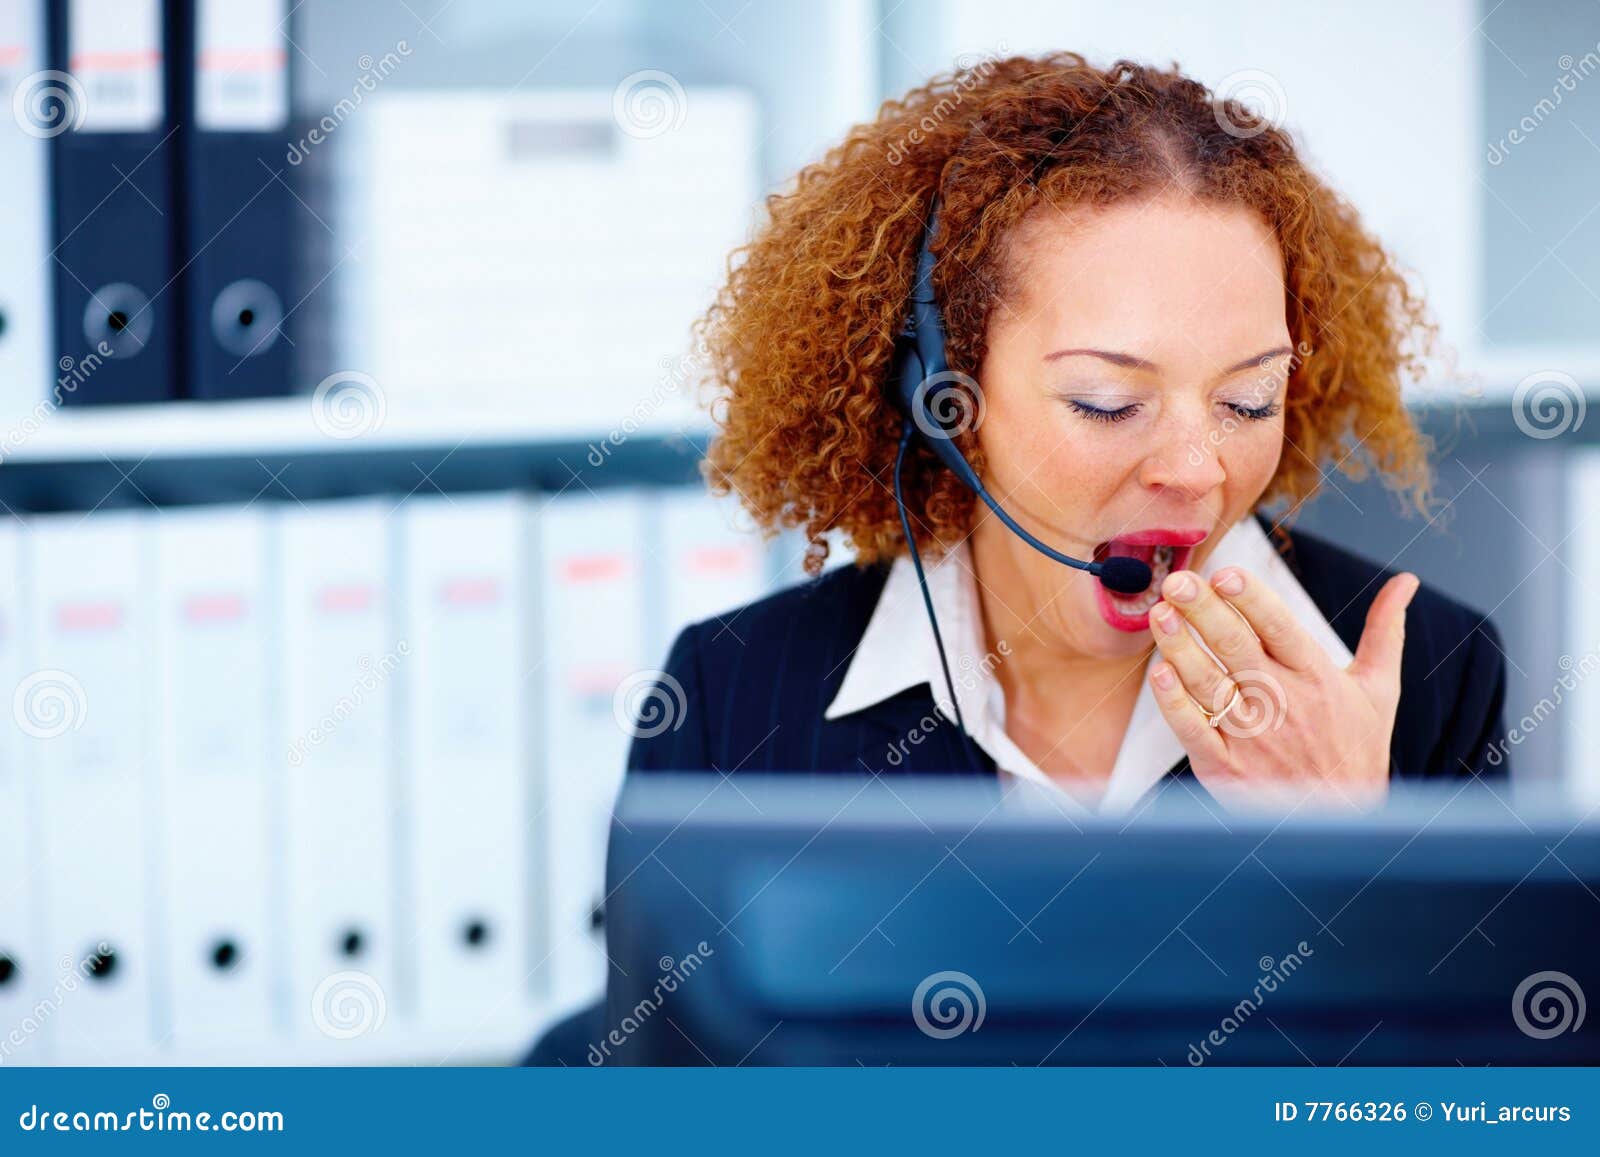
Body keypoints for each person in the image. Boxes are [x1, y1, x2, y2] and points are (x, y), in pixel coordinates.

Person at [524, 49, 1509, 1064]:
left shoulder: (1423, 680)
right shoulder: (730, 700)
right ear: (947, 396)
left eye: (1246, 400)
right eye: (1106, 401)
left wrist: (1342, 864)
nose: (1195, 467)